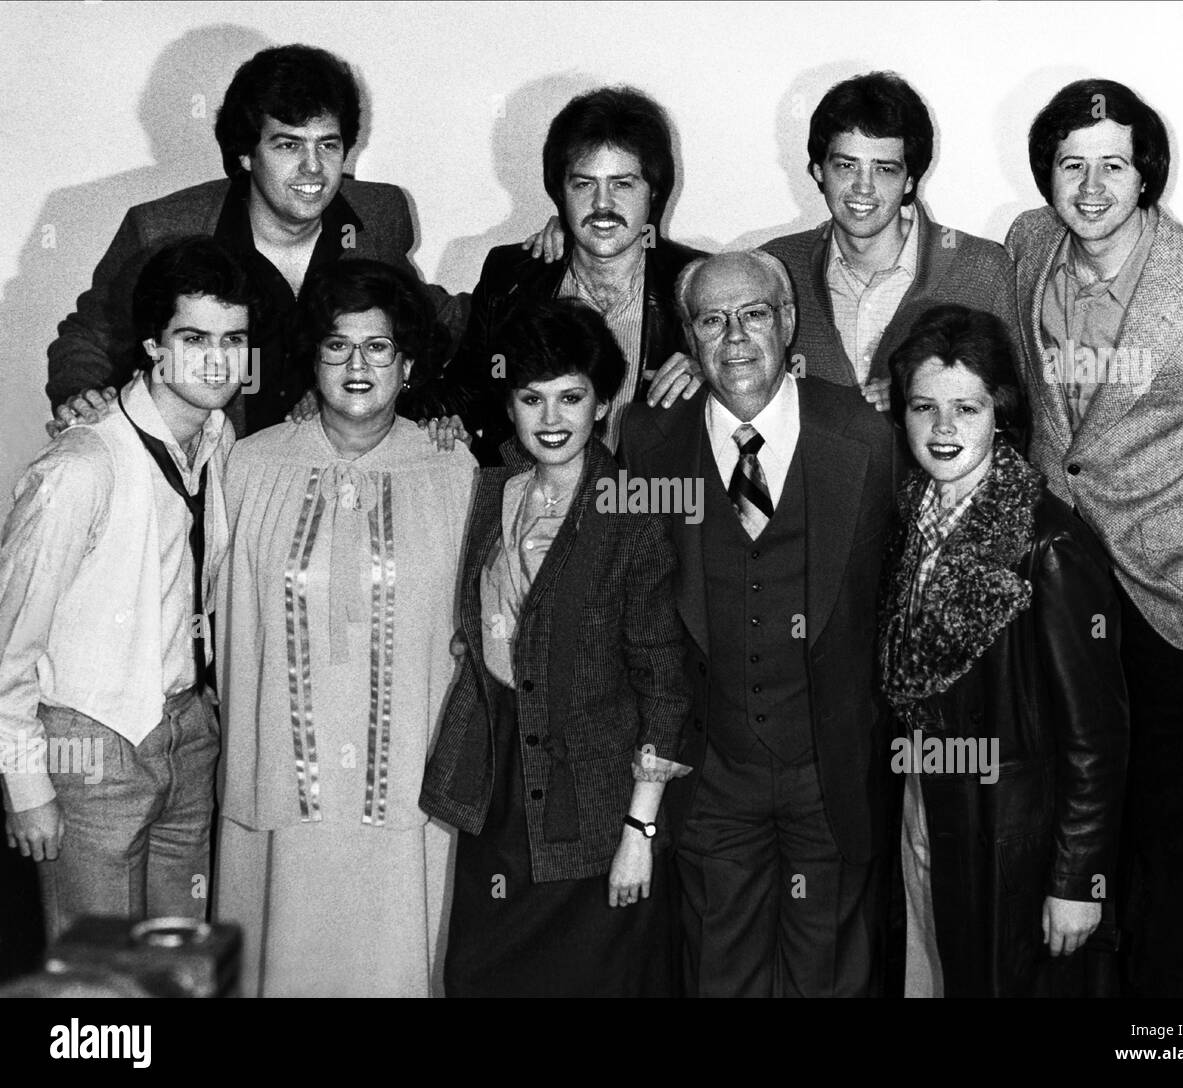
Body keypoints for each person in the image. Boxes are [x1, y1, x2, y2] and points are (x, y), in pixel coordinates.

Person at [1004, 78, 1183, 998]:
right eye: (1070, 164)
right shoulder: (1026, 245)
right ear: (1047, 173)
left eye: (1113, 166)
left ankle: (1170, 1038)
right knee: (1070, 814)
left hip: (1172, 600)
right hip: (1055, 590)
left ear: (1147, 176)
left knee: (1175, 843)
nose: (1090, 188)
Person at [621, 250, 896, 997]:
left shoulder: (865, 436)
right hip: (714, 777)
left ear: (789, 322)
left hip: (829, 773)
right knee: (720, 975)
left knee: (828, 980)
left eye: (754, 315)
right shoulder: (650, 444)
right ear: (689, 335)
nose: (735, 338)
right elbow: (637, 603)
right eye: (713, 320)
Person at [212, 259, 475, 997]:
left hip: (406, 788)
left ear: (409, 362)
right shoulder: (247, 466)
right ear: (312, 359)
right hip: (281, 785)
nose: (357, 366)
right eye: (337, 347)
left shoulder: (455, 473)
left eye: (379, 348)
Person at [420, 299, 690, 997]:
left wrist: (641, 828)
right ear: (508, 406)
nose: (551, 418)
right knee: (482, 977)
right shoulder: (488, 490)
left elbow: (664, 682)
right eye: (531, 398)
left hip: (597, 805)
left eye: (571, 397)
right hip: (500, 795)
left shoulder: (632, 509)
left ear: (602, 404)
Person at [877, 304, 1128, 997]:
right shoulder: (907, 520)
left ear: (1001, 414)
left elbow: (1095, 735)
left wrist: (1077, 880)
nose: (944, 428)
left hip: (1008, 834)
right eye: (924, 406)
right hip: (924, 808)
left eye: (968, 407)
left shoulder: (1048, 544)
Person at [1, 236, 248, 938]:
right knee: (101, 982)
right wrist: (25, 786)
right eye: (194, 337)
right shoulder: (81, 467)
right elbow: (8, 646)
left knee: (177, 963)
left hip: (188, 731)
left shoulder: (217, 441)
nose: (217, 359)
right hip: (92, 742)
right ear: (152, 344)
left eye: (234, 340)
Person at [47, 44, 475, 438]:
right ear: (246, 153)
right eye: (289, 145)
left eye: (327, 144)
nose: (314, 168)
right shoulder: (163, 230)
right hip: (213, 477)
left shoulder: (376, 216)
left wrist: (533, 260)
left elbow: (439, 322)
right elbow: (89, 338)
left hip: (332, 481)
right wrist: (83, 393)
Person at [647, 72, 1019, 439]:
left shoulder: (980, 269)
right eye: (846, 165)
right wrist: (709, 370)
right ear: (817, 170)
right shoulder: (773, 268)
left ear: (910, 180)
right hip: (808, 496)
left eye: (884, 169)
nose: (863, 187)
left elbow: (1015, 414)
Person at [443, 86, 705, 462]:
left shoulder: (697, 283)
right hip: (528, 501)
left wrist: (715, 372)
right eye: (584, 184)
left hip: (650, 505)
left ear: (654, 192)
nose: (602, 205)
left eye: (622, 184)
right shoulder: (514, 277)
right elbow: (466, 395)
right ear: (559, 192)